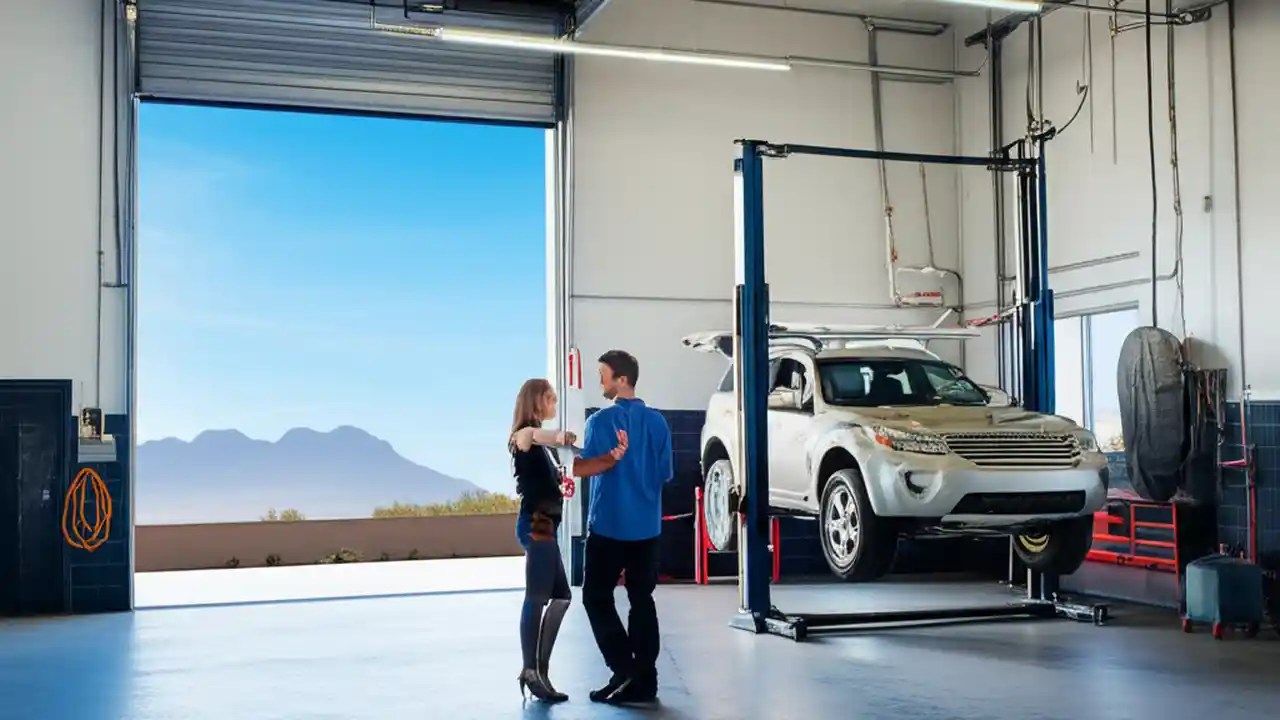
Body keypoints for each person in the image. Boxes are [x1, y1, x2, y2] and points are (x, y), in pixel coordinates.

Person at [508, 379, 627, 703]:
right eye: (551, 400)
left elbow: (578, 467)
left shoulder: (545, 451)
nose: (554, 406)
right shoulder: (524, 435)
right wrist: (562, 436)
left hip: (547, 526)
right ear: (537, 401)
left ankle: (540, 669)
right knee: (536, 597)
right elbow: (531, 436)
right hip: (536, 524)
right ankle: (530, 671)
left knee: (560, 596)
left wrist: (612, 457)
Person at [579, 350, 673, 705]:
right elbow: (665, 474)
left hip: (608, 525)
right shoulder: (659, 423)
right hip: (647, 528)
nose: (600, 381)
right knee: (641, 599)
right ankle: (645, 683)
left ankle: (623, 669)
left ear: (622, 379)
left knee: (596, 597)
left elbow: (589, 467)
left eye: (603, 374)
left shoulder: (600, 422)